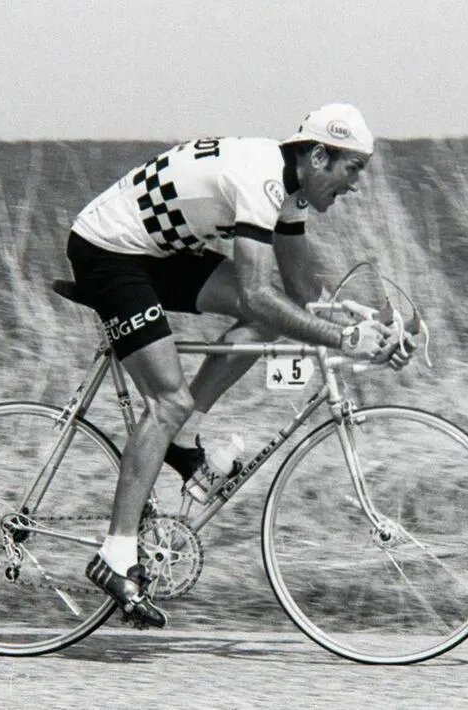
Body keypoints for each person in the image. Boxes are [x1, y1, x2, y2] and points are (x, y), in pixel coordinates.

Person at [65, 103, 412, 627]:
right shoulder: (262, 180)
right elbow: (252, 293)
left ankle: (185, 439)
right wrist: (345, 338)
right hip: (107, 253)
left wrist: (364, 320)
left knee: (275, 318)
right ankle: (115, 556)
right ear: (319, 156)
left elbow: (298, 290)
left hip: (154, 254)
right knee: (167, 400)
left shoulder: (289, 190)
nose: (357, 184)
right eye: (353, 168)